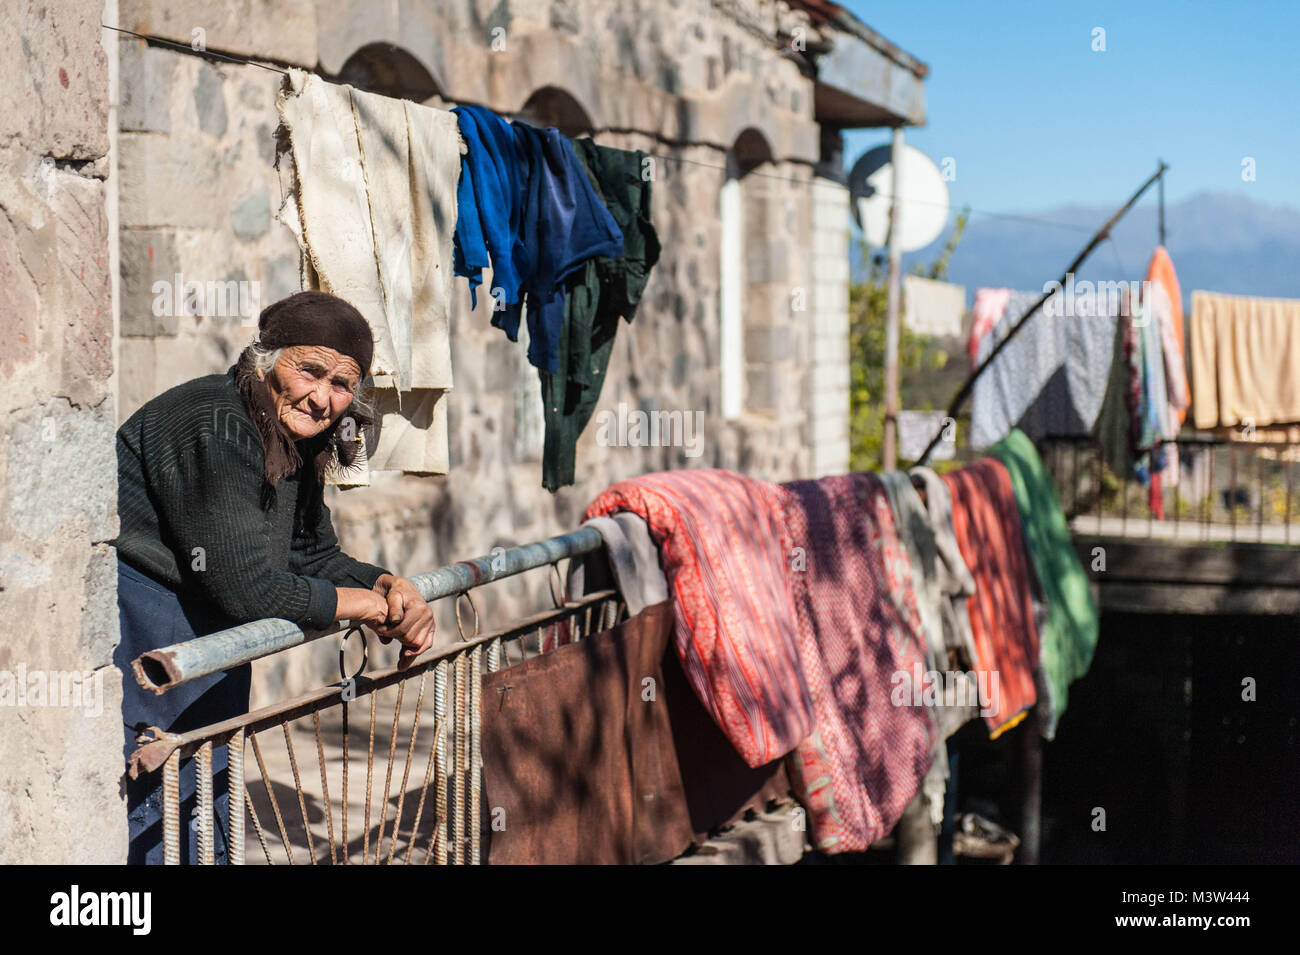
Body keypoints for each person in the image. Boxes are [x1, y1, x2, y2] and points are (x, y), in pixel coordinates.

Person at [113, 290, 436, 863]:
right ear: (267, 359)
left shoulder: (291, 435)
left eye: (341, 384)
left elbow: (310, 553)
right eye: (309, 370)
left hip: (201, 622)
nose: (321, 397)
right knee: (158, 800)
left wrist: (387, 584)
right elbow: (246, 587)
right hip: (147, 617)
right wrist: (360, 607)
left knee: (206, 795)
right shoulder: (217, 423)